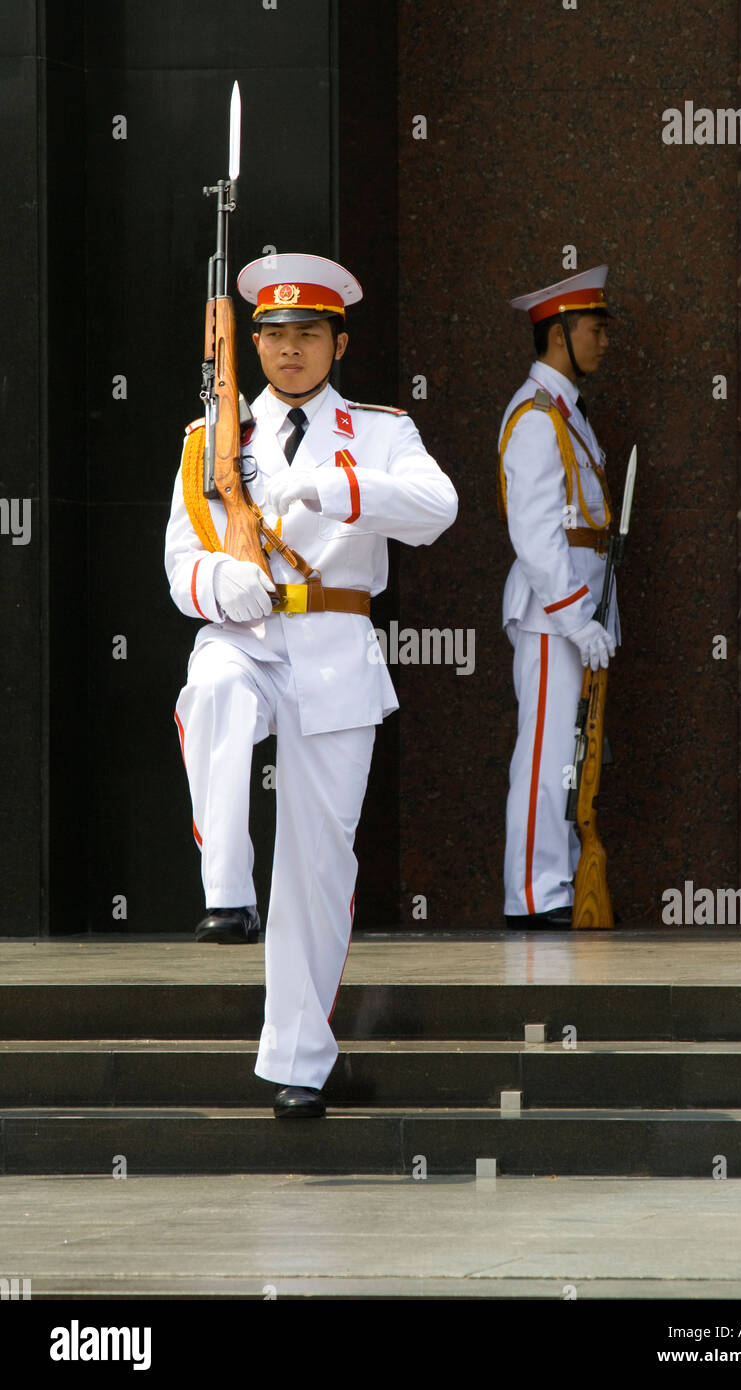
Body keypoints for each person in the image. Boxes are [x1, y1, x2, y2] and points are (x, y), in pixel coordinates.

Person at [165, 252, 458, 1115]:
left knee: (319, 863)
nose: (289, 350)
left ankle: (298, 1060)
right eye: (273, 336)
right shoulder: (209, 438)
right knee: (213, 689)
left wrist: (336, 487)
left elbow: (436, 510)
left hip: (333, 644)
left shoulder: (379, 431)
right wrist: (225, 586)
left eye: (306, 335)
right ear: (251, 345)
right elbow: (180, 566)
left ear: (338, 343)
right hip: (246, 636)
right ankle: (226, 890)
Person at [498, 265, 618, 929]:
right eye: (594, 330)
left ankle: (560, 884)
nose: (604, 341)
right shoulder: (538, 418)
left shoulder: (565, 414)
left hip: (575, 616)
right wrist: (575, 618)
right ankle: (533, 893)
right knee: (546, 757)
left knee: (572, 763)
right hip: (553, 618)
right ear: (559, 335)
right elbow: (536, 534)